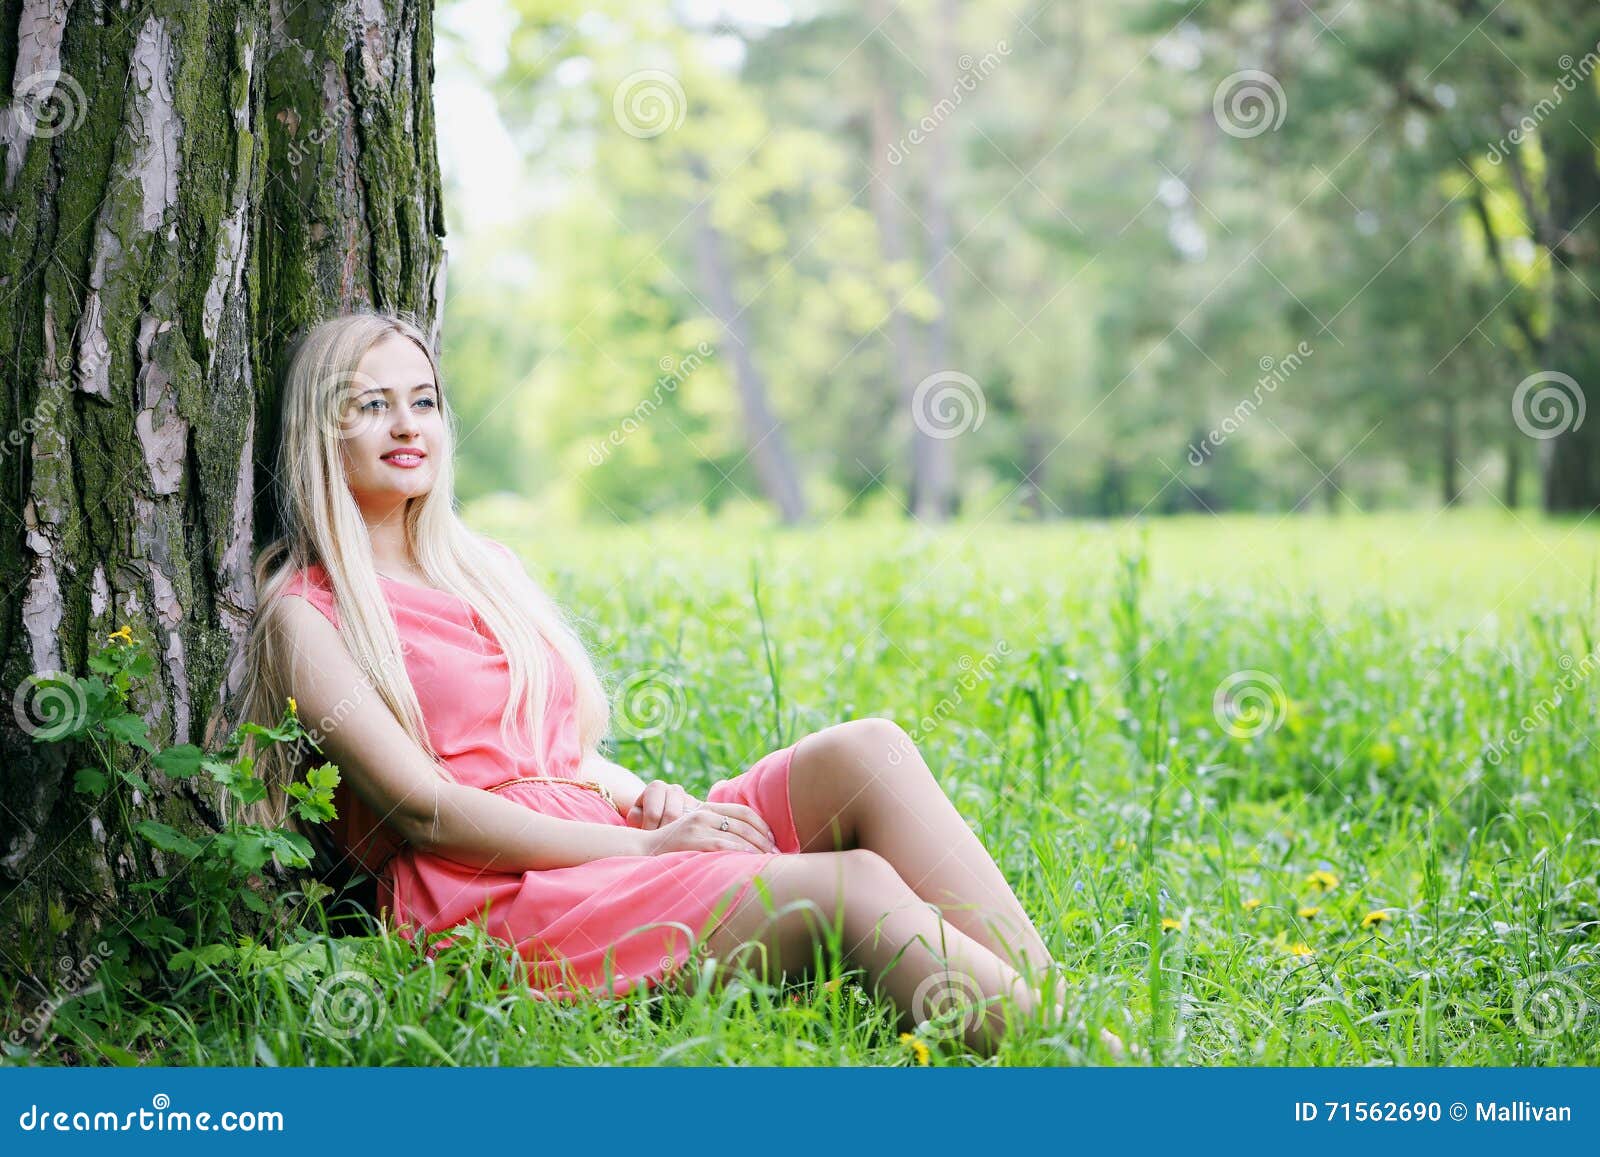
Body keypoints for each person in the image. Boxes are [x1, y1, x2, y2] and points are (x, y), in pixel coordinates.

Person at [235, 310, 1123, 1059]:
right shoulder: (305, 610)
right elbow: (424, 808)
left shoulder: (484, 568)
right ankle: (1098, 1075)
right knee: (844, 884)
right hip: (494, 890)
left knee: (869, 752)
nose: (408, 426)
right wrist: (654, 854)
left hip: (604, 840)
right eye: (371, 406)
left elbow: (569, 754)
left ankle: (1058, 1024)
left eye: (423, 401)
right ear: (319, 430)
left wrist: (646, 801)